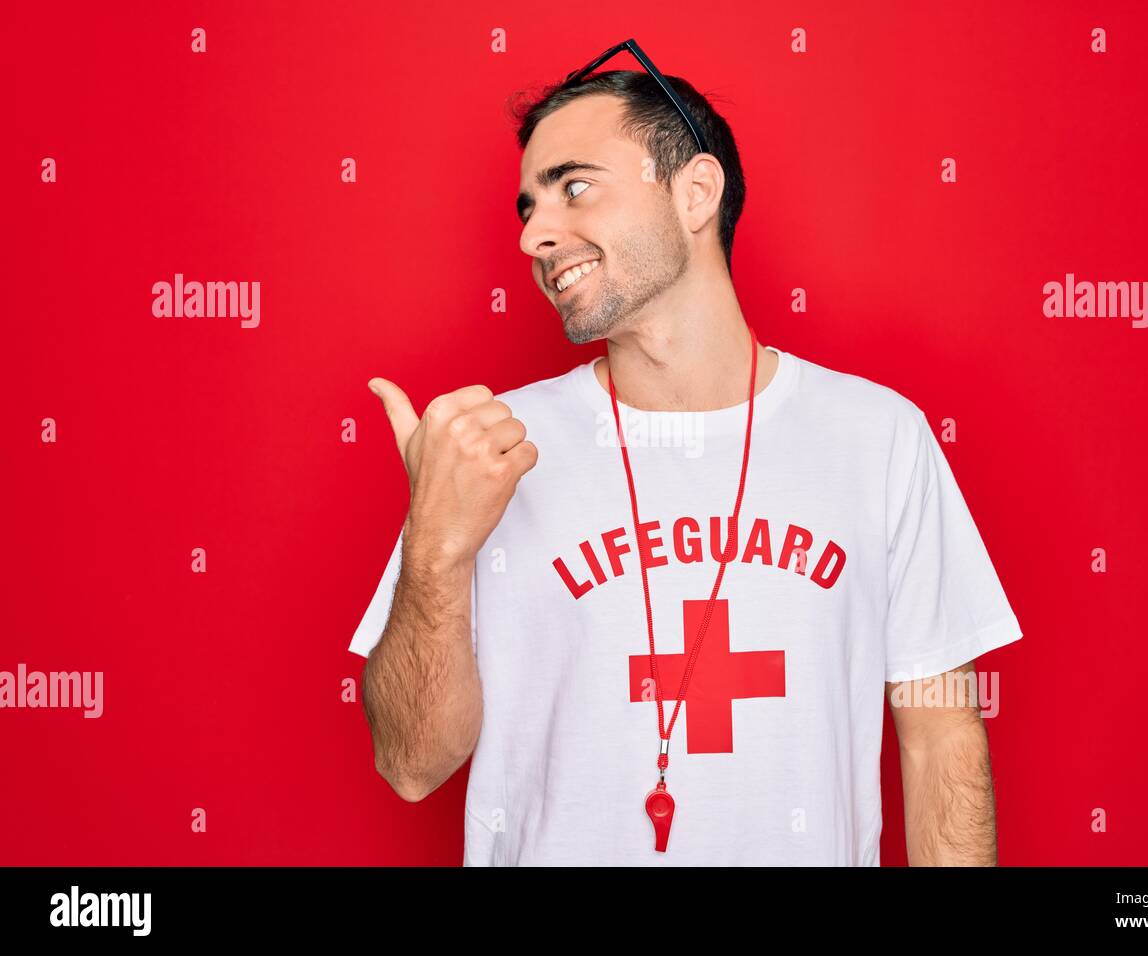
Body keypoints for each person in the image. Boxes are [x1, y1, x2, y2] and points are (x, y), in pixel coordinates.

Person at [349, 45, 1023, 866]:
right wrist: (438, 545)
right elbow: (412, 766)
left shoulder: (879, 437)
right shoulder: (488, 448)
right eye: (527, 207)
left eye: (574, 186)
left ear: (696, 192)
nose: (535, 234)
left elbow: (941, 734)